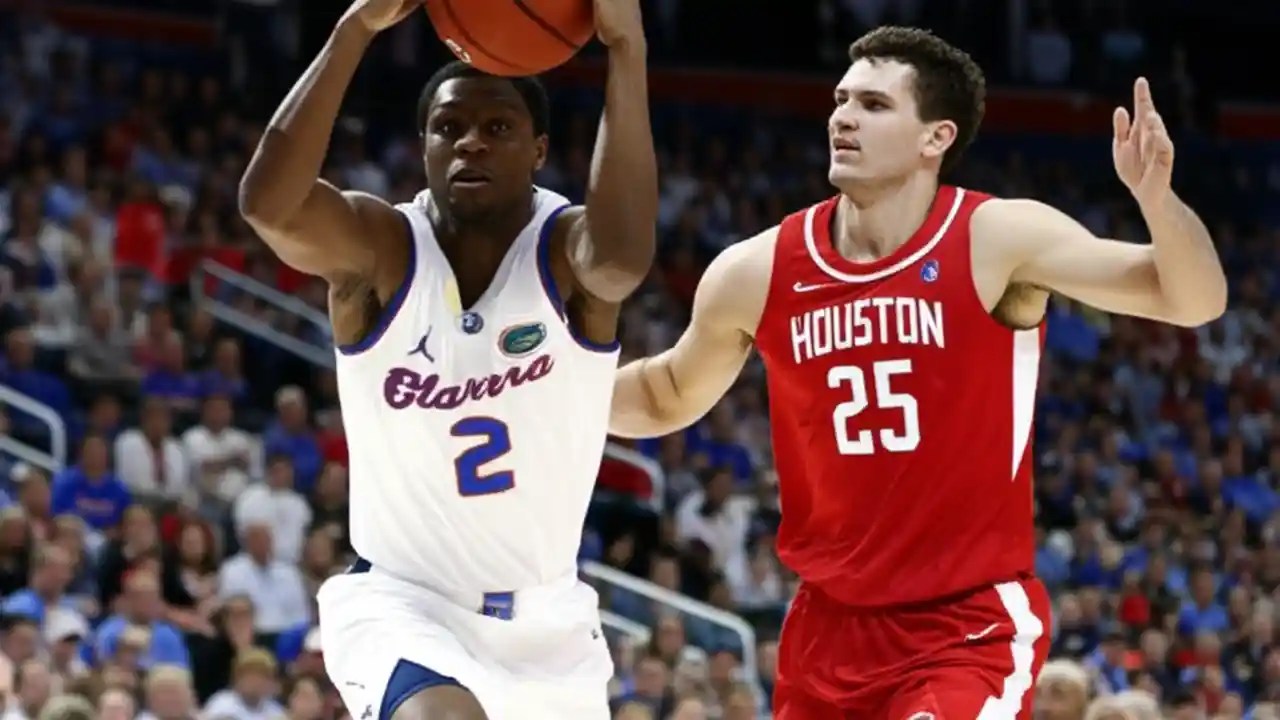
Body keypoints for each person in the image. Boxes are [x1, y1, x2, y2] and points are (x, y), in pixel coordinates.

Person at [609, 26, 1226, 720]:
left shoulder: (996, 238)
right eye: (842, 100)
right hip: (826, 630)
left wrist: (1157, 201)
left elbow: (1193, 300)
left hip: (964, 626)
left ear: (936, 137)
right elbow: (666, 393)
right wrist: (548, 388)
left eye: (874, 105)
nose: (843, 117)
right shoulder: (758, 269)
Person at [237, 0, 657, 716]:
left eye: (497, 128)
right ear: (424, 144)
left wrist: (627, 48)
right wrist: (355, 28)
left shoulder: (564, 249)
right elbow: (270, 207)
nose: (471, 144)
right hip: (405, 604)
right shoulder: (383, 248)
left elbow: (620, 261)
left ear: (539, 149)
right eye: (449, 127)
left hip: (549, 625)